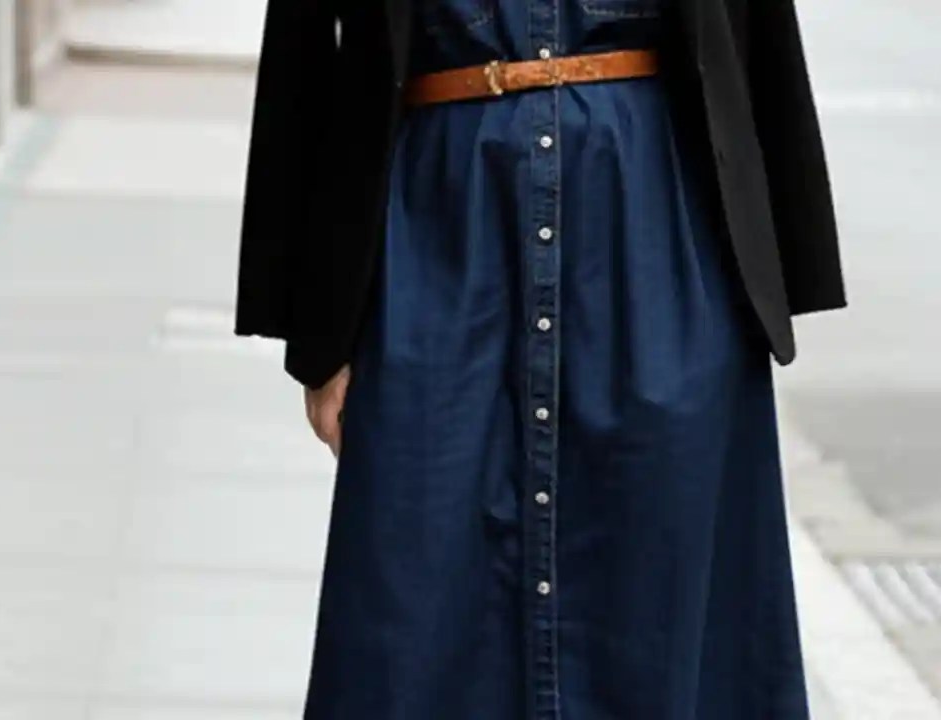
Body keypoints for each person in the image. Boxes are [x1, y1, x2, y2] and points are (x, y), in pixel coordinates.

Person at [235, 0, 846, 717]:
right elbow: (304, 63)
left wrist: (787, 264)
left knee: (656, 587)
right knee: (414, 591)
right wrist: (314, 331)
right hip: (437, 239)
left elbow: (757, 33)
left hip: (654, 240)